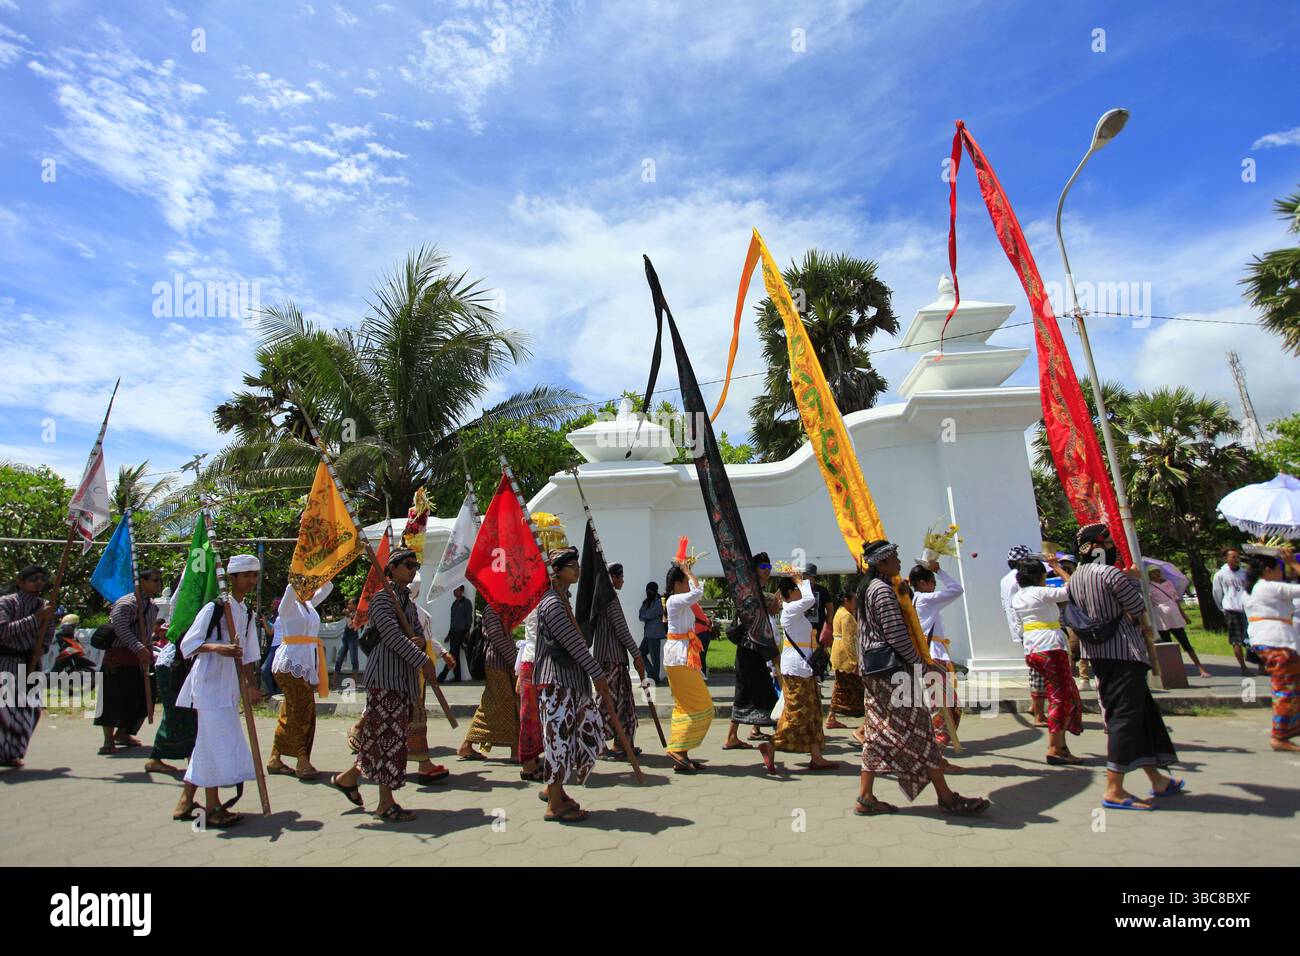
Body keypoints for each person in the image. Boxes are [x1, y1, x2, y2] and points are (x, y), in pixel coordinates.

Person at [854, 540, 988, 817]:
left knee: (878, 733)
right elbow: (895, 634)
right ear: (881, 563)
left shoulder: (869, 588)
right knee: (920, 730)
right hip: (894, 673)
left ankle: (865, 797)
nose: (899, 561)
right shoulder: (881, 591)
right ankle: (946, 797)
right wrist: (920, 664)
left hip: (876, 671)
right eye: (894, 557)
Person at [1068, 523, 1180, 811]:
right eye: (1105, 542)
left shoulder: (1075, 578)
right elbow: (1138, 607)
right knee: (1124, 719)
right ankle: (1113, 789)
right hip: (1124, 653)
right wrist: (1131, 579)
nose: (1110, 546)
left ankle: (1157, 779)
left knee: (1142, 715)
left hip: (1098, 654)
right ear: (1094, 547)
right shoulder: (1110, 574)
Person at [332, 549, 439, 823]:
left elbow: (414, 633)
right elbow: (392, 636)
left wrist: (417, 647)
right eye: (407, 565)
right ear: (391, 568)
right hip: (385, 678)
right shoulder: (382, 599)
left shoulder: (407, 603)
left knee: (383, 737)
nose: (412, 569)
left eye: (415, 565)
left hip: (403, 678)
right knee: (389, 740)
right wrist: (421, 658)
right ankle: (385, 803)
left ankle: (348, 778)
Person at [176, 555, 264, 829]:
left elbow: (249, 653)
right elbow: (188, 643)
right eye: (246, 575)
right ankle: (212, 807)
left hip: (229, 687)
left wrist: (250, 686)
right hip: (208, 684)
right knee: (212, 742)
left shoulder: (247, 613)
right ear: (233, 577)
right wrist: (219, 648)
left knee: (207, 742)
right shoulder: (214, 608)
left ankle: (186, 800)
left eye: (254, 575)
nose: (251, 580)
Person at [533, 546, 608, 823]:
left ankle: (559, 792)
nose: (577, 568)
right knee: (557, 741)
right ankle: (553, 802)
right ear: (557, 571)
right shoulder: (552, 603)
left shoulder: (562, 599)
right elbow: (573, 644)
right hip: (556, 683)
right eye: (570, 565)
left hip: (569, 682)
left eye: (577, 563)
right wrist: (597, 674)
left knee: (567, 739)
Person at [1011, 557, 1084, 765]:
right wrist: (1056, 567)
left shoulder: (1018, 597)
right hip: (1049, 646)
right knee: (1060, 696)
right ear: (1039, 576)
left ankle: (1061, 745)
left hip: (1032, 647)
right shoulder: (1041, 593)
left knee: (1062, 694)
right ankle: (1055, 747)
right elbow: (1073, 588)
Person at [266, 580, 333, 781]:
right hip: (290, 664)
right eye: (309, 584)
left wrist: (328, 561)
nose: (313, 588)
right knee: (303, 712)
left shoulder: (310, 606)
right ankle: (302, 759)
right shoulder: (289, 606)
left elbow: (327, 587)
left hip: (306, 664)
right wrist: (303, 569)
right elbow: (291, 588)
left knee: (291, 710)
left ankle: (275, 756)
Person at [771, 570, 838, 771]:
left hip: (803, 666)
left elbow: (808, 600)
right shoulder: (790, 609)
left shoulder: (793, 610)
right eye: (797, 589)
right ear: (791, 592)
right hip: (796, 667)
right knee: (798, 712)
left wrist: (798, 581)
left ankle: (816, 755)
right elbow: (810, 599)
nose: (800, 591)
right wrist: (801, 581)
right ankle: (771, 745)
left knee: (813, 710)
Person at [94, 568, 161, 755]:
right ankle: (108, 740)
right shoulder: (126, 603)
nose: (158, 584)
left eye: (159, 580)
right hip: (118, 658)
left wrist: (147, 649)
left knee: (142, 698)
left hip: (140, 660)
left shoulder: (152, 606)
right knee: (112, 699)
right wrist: (138, 647)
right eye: (154, 580)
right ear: (142, 581)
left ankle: (123, 733)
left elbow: (148, 634)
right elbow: (120, 628)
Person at [1242, 551, 1300, 752]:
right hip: (1277, 641)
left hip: (1267, 640)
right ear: (1268, 570)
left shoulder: (1252, 589)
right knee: (1286, 688)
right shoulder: (1268, 587)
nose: (1280, 573)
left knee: (1288, 687)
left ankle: (1284, 732)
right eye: (1278, 569)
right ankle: (1279, 736)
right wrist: (1292, 562)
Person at [723, 552, 780, 749]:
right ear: (755, 570)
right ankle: (780, 733)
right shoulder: (752, 591)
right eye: (763, 568)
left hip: (753, 649)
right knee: (761, 692)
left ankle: (734, 735)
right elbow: (771, 607)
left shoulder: (758, 590)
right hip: (749, 649)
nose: (767, 571)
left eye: (768, 568)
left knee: (745, 693)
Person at [0, 565, 55, 768]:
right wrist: (35, 618)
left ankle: (14, 750)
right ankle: (4, 752)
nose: (39, 582)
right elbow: (3, 630)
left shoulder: (45, 605)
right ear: (20, 582)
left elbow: (49, 632)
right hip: (7, 661)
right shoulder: (6, 603)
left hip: (31, 662)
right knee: (6, 710)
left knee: (30, 709)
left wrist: (43, 647)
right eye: (33, 579)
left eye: (42, 578)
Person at [909, 559, 964, 754]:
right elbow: (957, 589)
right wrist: (939, 570)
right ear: (923, 583)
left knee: (942, 702)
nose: (934, 586)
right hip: (932, 655)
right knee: (945, 704)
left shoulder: (914, 600)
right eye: (932, 581)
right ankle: (936, 747)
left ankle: (937, 742)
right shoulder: (924, 599)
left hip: (929, 654)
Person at [594, 562, 647, 760]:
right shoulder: (609, 600)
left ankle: (621, 743)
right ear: (614, 578)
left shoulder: (602, 599)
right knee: (608, 704)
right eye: (621, 576)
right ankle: (599, 745)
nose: (623, 580)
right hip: (611, 660)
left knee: (622, 704)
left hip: (612, 659)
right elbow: (622, 630)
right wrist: (637, 653)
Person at [457, 604, 520, 762]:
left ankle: (468, 744)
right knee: (508, 704)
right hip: (497, 664)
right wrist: (514, 662)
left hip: (504, 663)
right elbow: (497, 637)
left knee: (496, 704)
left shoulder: (502, 608)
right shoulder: (492, 609)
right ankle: (515, 749)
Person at [1002, 545, 1047, 726]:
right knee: (1041, 672)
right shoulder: (1019, 581)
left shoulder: (1005, 579)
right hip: (1034, 629)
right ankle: (1039, 711)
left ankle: (1036, 706)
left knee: (1035, 669)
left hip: (1024, 629)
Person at [1148, 566, 1212, 679]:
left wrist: (1184, 616)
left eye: (1158, 572)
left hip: (1174, 617)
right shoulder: (1148, 587)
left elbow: (1176, 601)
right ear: (1149, 575)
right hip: (1161, 620)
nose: (1157, 574)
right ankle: (1173, 670)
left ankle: (1200, 667)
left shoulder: (1168, 584)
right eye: (1153, 572)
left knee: (1185, 643)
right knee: (1167, 645)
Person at [1213, 548, 1259, 677]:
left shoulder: (1244, 573)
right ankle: (1243, 667)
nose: (1236, 559)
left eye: (1237, 557)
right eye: (1233, 557)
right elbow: (1217, 593)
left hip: (1246, 608)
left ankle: (1261, 665)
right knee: (1236, 640)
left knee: (1254, 637)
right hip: (1232, 609)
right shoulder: (1220, 575)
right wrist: (1223, 607)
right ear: (1226, 559)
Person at [826, 590, 864, 739]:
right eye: (854, 600)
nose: (856, 603)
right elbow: (849, 640)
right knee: (854, 688)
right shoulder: (846, 616)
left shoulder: (839, 612)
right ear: (846, 600)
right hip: (844, 656)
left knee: (839, 686)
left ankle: (831, 716)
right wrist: (854, 661)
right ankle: (864, 723)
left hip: (838, 652)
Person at [515, 605, 543, 781]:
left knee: (534, 715)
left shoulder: (537, 602)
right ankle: (528, 765)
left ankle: (532, 758)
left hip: (532, 661)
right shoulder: (542, 604)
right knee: (530, 716)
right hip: (534, 661)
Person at [437, 585, 473, 682]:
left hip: (461, 632)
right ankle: (457, 677)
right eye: (454, 590)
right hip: (453, 633)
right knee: (455, 655)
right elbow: (452, 621)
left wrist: (467, 631)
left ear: (462, 591)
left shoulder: (466, 603)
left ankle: (441, 677)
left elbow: (469, 618)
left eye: (457, 590)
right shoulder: (454, 604)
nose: (455, 591)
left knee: (452, 655)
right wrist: (449, 635)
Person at [637, 582, 666, 683]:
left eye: (650, 590)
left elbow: (650, 614)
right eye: (647, 590)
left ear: (654, 590)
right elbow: (641, 616)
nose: (648, 592)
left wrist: (647, 615)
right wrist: (647, 615)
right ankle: (652, 674)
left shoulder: (658, 602)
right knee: (640, 653)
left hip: (655, 634)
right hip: (648, 634)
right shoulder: (646, 602)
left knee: (655, 658)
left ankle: (655, 678)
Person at [258, 598, 281, 697]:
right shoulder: (278, 618)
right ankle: (273, 694)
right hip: (274, 646)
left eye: (273, 604)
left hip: (282, 646)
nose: (272, 606)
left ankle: (278, 694)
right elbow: (271, 632)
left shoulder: (288, 616)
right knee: (265, 670)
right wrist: (264, 621)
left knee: (280, 671)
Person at [333, 598, 360, 674]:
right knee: (339, 659)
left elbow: (351, 626)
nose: (348, 605)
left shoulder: (358, 614)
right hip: (345, 638)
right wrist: (348, 615)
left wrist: (347, 615)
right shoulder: (350, 613)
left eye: (349, 604)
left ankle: (355, 682)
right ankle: (334, 683)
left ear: (355, 605)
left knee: (354, 660)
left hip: (353, 639)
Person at [691, 600, 713, 680]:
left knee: (699, 657)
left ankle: (701, 677)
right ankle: (702, 677)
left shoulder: (690, 604)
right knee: (701, 657)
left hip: (701, 633)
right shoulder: (694, 603)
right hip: (705, 632)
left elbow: (692, 617)